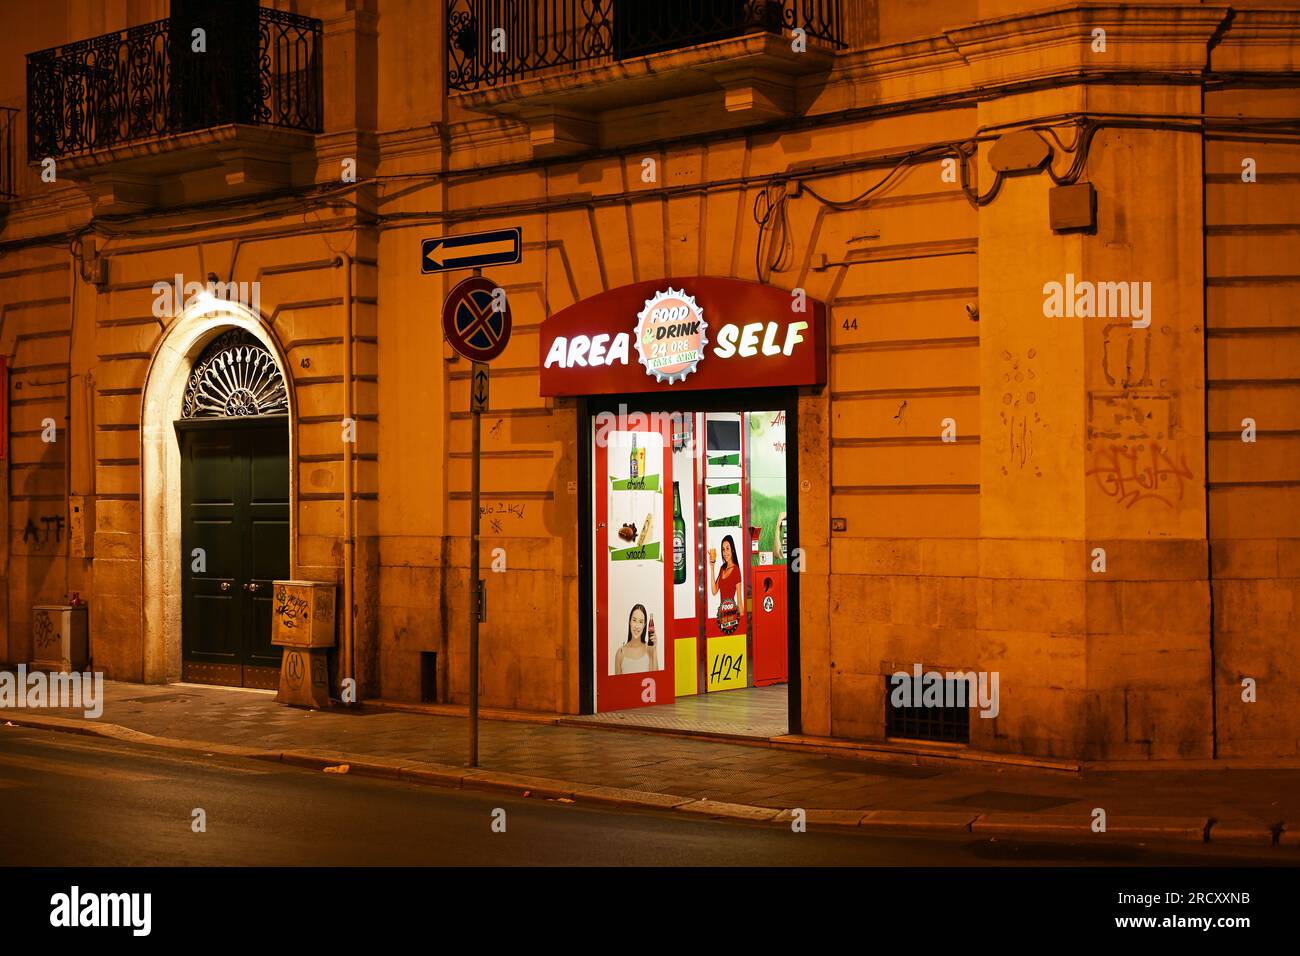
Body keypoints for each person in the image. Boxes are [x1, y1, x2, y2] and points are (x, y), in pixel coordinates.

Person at [614, 603, 658, 674]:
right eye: (634, 620)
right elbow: (617, 684)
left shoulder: (649, 649)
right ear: (630, 622)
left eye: (640, 622)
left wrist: (654, 649)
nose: (637, 626)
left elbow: (656, 680)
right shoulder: (620, 653)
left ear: (644, 625)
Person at [708, 534, 743, 608]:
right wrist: (712, 568)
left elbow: (739, 601)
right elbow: (714, 591)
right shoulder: (722, 568)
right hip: (722, 614)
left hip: (732, 613)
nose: (725, 552)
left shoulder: (736, 570)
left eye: (727, 548)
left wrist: (742, 619)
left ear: (732, 550)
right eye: (723, 549)